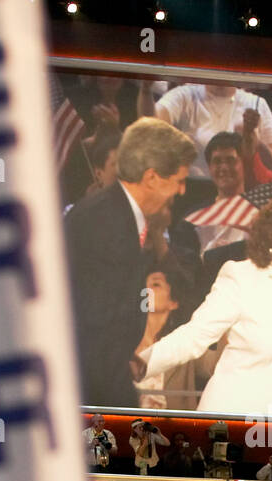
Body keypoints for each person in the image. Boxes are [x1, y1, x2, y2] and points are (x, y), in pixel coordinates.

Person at [133, 187, 272, 416]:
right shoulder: (241, 277)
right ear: (271, 238)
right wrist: (138, 365)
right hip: (229, 423)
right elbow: (193, 336)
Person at [64, 117, 197, 408]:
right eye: (179, 180)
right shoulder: (106, 222)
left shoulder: (117, 213)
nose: (182, 191)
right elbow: (96, 328)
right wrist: (123, 407)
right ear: (151, 178)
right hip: (93, 391)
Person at [155, 83, 272, 181]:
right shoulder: (185, 94)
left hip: (238, 191)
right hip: (192, 188)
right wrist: (145, 92)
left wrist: (256, 142)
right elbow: (152, 122)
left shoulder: (256, 103)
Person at [133, 267, 208, 410]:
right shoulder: (121, 345)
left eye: (155, 284)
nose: (145, 290)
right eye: (143, 285)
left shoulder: (183, 344)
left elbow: (212, 365)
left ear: (173, 303)